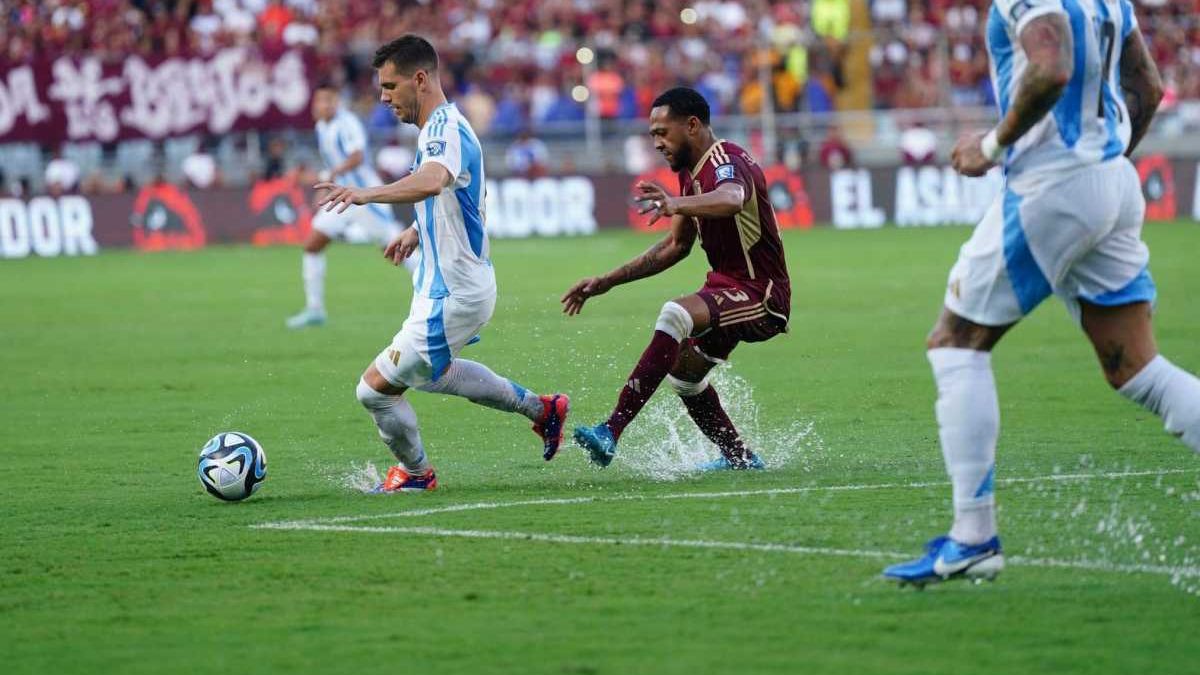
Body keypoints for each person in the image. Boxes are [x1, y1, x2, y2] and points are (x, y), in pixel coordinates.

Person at [883, 0, 1200, 587]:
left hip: (1052, 184)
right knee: (1136, 369)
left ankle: (973, 537)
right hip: (1113, 179)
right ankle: (972, 539)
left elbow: (1050, 67)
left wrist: (993, 146)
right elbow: (1149, 88)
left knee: (955, 342)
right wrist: (1103, 167)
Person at [315, 35, 570, 492]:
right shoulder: (445, 127)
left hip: (452, 292)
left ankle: (417, 474)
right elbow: (464, 190)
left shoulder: (442, 130)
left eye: (390, 86)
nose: (384, 97)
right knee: (435, 376)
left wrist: (365, 193)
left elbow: (433, 181)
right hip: (451, 285)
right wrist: (417, 231)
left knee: (373, 391)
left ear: (420, 79)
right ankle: (543, 410)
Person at [563, 87, 791, 471]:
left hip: (761, 294)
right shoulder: (690, 175)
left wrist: (675, 203)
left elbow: (732, 197)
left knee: (675, 314)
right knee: (684, 375)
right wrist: (606, 281)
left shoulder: (727, 160)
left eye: (662, 132)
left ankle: (611, 430)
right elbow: (674, 247)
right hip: (726, 289)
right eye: (652, 134)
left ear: (692, 125)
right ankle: (740, 458)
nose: (656, 143)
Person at [286, 82, 410, 330]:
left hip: (364, 196)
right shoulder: (322, 126)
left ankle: (436, 289)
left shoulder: (348, 123)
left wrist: (330, 173)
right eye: (320, 101)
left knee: (394, 248)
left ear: (336, 102)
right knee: (312, 244)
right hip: (341, 196)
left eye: (328, 101)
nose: (323, 106)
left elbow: (358, 157)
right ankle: (315, 310)